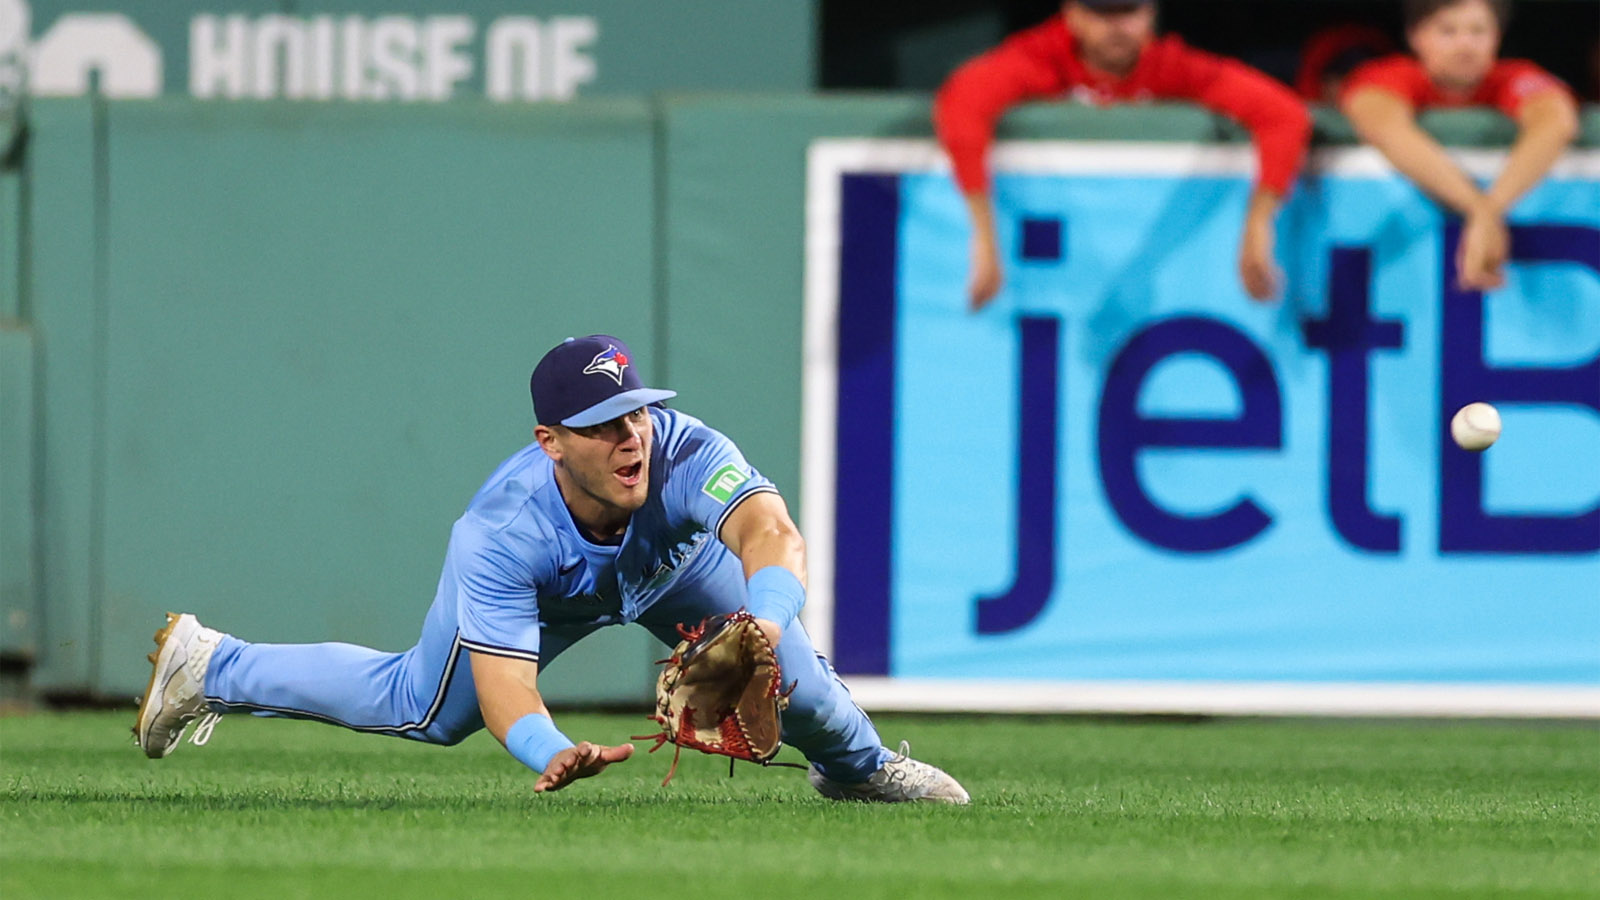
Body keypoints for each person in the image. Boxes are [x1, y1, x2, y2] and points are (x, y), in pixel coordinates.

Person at [134, 334, 969, 803]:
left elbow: (770, 531)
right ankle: (212, 664)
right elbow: (506, 694)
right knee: (424, 709)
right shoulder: (499, 532)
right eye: (603, 424)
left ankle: (861, 772)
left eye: (635, 412)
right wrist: (549, 750)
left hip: (671, 571)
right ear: (552, 442)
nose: (630, 436)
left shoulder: (684, 451)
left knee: (803, 680)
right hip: (555, 588)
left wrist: (766, 621)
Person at [934, 0, 1312, 309]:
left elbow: (1284, 115)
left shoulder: (1170, 66)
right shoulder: (1040, 57)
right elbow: (962, 103)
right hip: (1048, 271)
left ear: (1150, 14)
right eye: (1102, 13)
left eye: (1129, 11)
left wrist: (1258, 224)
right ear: (1073, 14)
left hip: (1160, 284)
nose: (1117, 26)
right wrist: (983, 235)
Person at [1339, 0, 1580, 291]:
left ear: (1497, 36)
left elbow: (1557, 121)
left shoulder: (1514, 76)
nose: (1465, 44)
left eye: (1478, 31)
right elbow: (1381, 124)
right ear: (1416, 36)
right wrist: (1479, 209)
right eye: (1447, 31)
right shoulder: (1387, 75)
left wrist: (1491, 209)